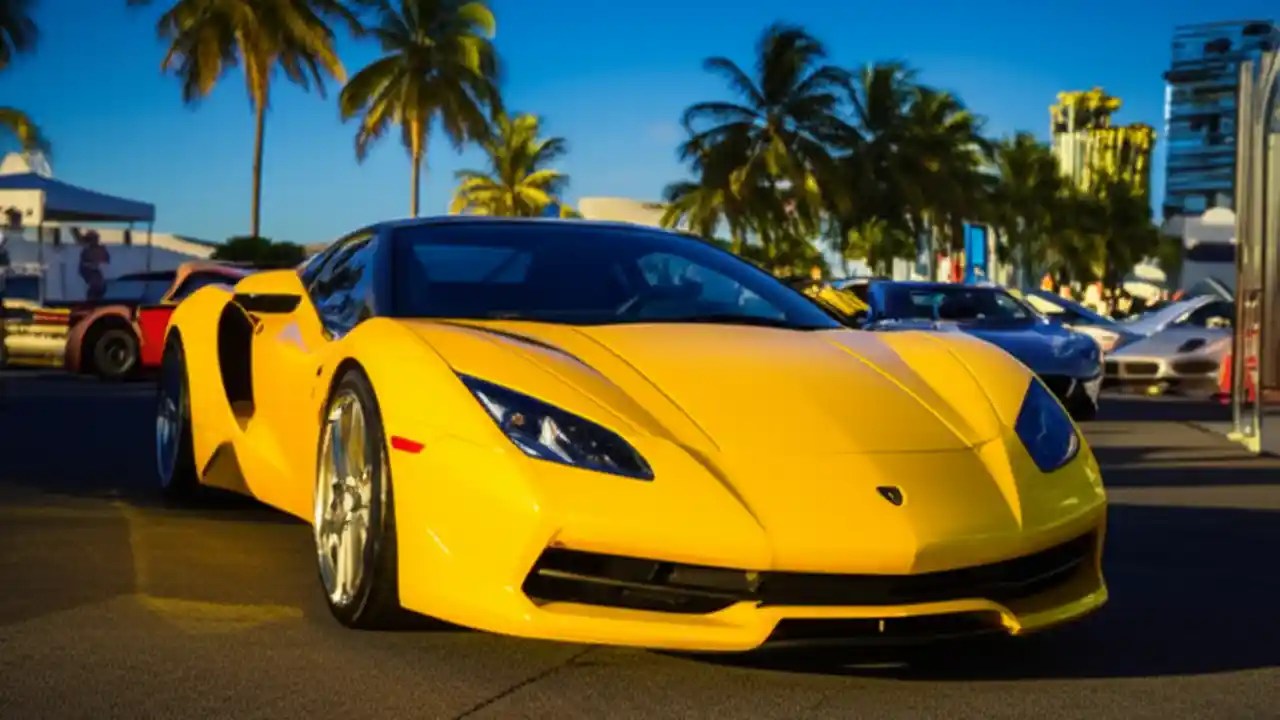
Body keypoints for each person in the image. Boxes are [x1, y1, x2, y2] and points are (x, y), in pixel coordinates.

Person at [78, 230, 110, 301]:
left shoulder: (101, 250)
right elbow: (82, 268)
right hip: (94, 283)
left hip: (98, 285)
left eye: (93, 239)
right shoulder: (86, 251)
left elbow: (106, 263)